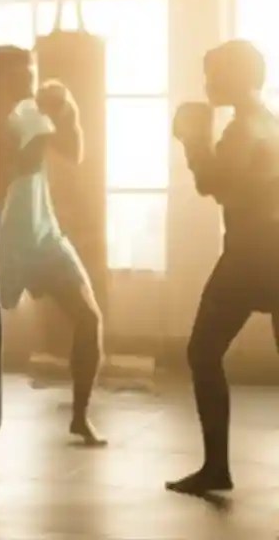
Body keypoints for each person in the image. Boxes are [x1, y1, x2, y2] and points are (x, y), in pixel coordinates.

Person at [167, 39, 279, 495]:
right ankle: (216, 468)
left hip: (252, 255)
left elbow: (214, 184)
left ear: (236, 76)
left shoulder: (242, 129)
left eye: (213, 72)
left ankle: (216, 468)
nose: (207, 82)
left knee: (201, 351)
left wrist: (193, 141)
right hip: (267, 249)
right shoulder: (267, 121)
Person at [0, 45, 106, 445]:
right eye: (20, 75)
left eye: (32, 73)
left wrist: (68, 111)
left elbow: (73, 153)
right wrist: (44, 128)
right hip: (0, 241)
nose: (29, 82)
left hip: (44, 234)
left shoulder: (31, 111)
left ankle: (80, 416)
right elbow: (15, 166)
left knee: (89, 318)